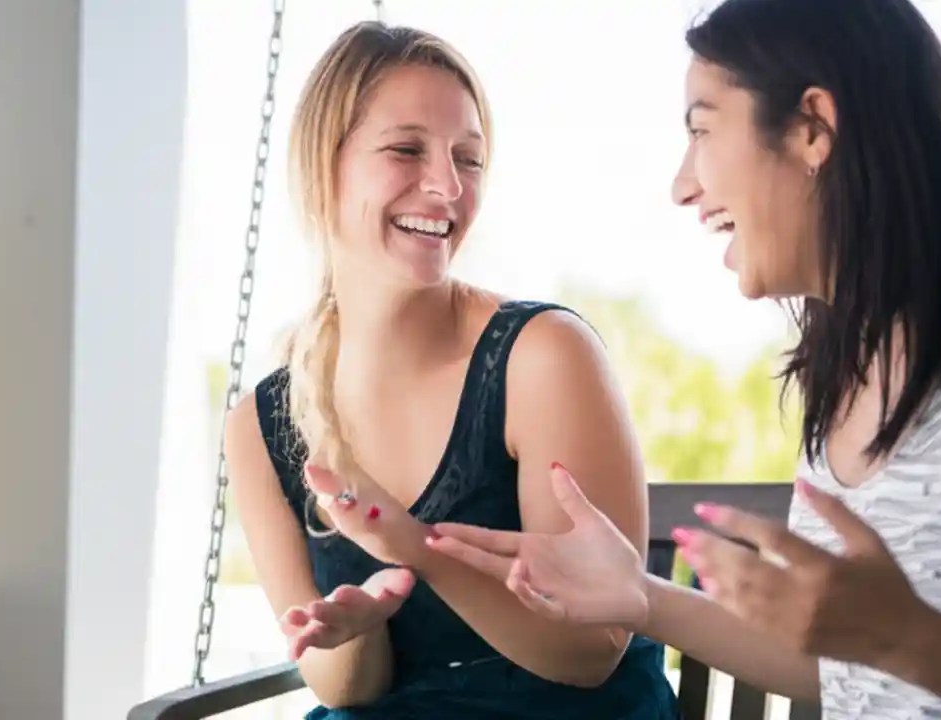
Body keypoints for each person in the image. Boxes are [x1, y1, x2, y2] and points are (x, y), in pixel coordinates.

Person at [415, 0, 941, 718]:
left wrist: (902, 634)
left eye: (703, 130)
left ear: (813, 128)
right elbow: (843, 666)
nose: (683, 184)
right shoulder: (845, 363)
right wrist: (641, 596)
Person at [223, 20, 680, 720]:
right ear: (323, 166)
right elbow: (344, 689)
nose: (445, 186)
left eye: (469, 159)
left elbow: (593, 655)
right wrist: (360, 628)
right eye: (407, 150)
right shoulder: (261, 428)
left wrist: (418, 551)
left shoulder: (542, 356)